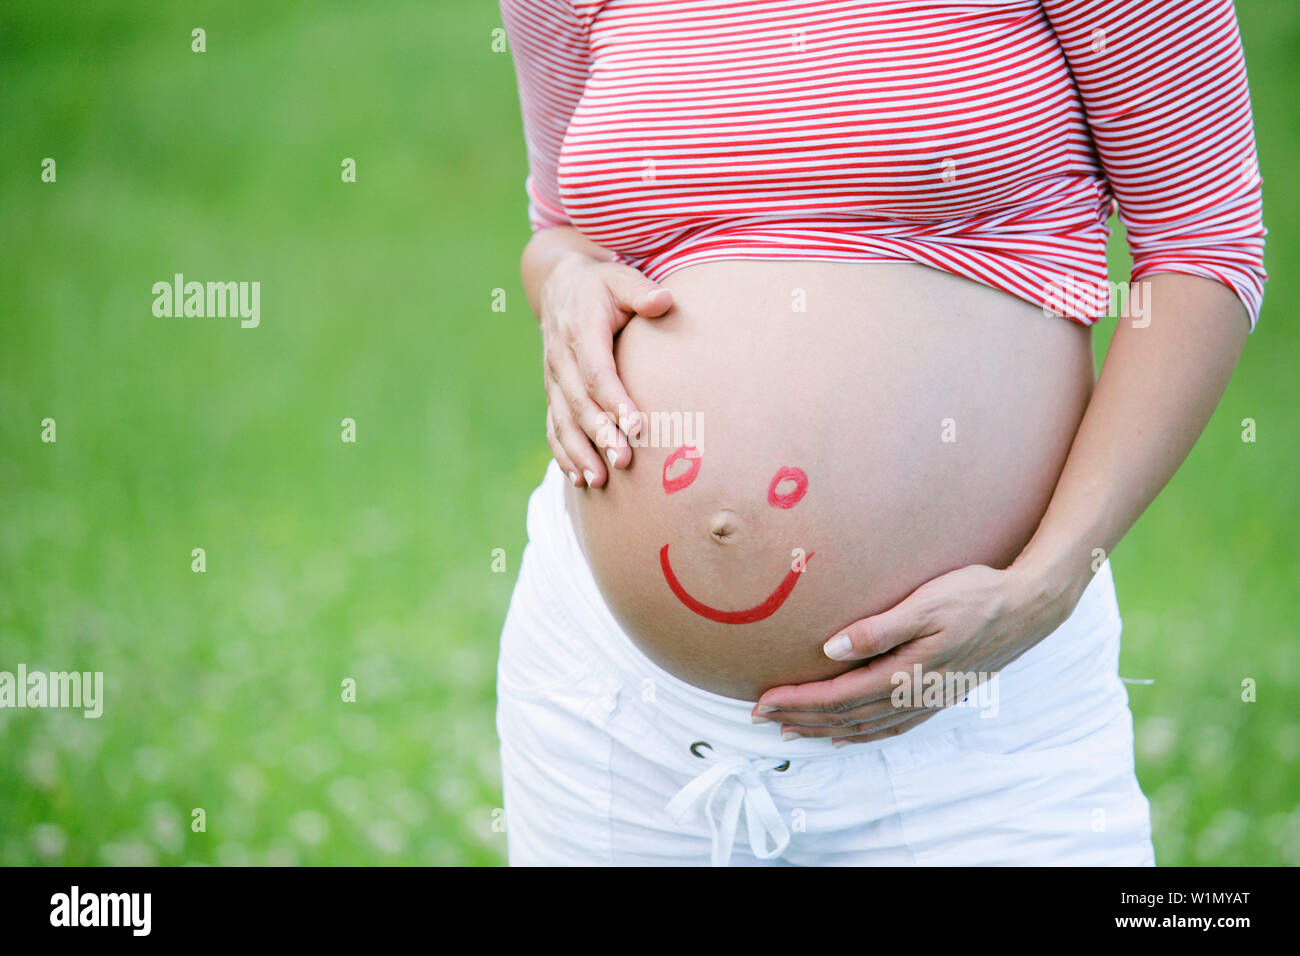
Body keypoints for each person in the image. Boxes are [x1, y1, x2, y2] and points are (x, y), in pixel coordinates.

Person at [495, 0, 1267, 865]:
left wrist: (1047, 586)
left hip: (979, 709)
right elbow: (563, 229)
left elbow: (1205, 246)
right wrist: (563, 279)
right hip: (616, 712)